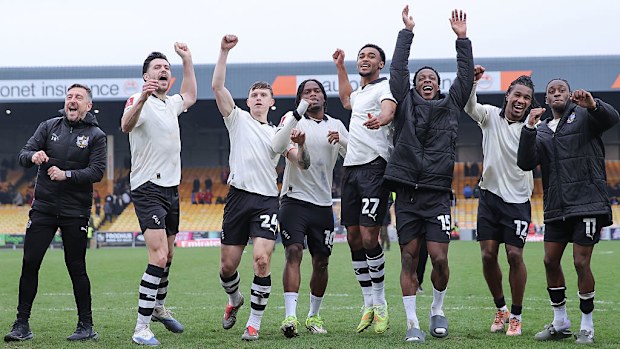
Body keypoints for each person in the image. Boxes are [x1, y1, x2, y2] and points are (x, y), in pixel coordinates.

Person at [384, 6, 474, 343]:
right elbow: (397, 69)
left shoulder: (451, 105)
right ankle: (412, 323)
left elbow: (465, 78)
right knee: (408, 257)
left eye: (431, 80)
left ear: (438, 86)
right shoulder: (404, 102)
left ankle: (437, 309)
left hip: (437, 194)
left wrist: (461, 40)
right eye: (421, 79)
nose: (425, 82)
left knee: (439, 258)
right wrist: (407, 33)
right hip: (406, 193)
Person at [518, 79, 619, 344]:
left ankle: (587, 325)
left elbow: (612, 118)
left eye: (561, 89)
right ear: (547, 100)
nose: (556, 93)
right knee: (550, 261)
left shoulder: (586, 116)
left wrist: (594, 105)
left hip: (587, 202)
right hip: (556, 206)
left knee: (580, 262)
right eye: (551, 91)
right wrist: (528, 128)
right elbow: (525, 162)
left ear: (570, 95)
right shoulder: (540, 131)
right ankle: (560, 321)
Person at [5, 84, 106, 342]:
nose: (72, 101)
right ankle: (21, 325)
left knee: (76, 267)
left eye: (78, 98)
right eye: (69, 97)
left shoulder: (96, 135)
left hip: (75, 211)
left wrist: (66, 175)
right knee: (30, 263)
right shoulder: (48, 126)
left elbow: (97, 172)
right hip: (44, 208)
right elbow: (23, 155)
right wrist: (33, 156)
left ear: (88, 105)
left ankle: (86, 325)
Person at [120, 43, 197, 346]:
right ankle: (141, 328)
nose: (163, 70)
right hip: (147, 186)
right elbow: (125, 125)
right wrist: (142, 96)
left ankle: (159, 309)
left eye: (166, 68)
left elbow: (190, 95)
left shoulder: (171, 103)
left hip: (171, 187)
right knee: (159, 256)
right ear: (145, 77)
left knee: (169, 256)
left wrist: (187, 60)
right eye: (157, 68)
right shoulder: (138, 100)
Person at [464, 66, 544, 336]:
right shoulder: (489, 116)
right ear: (508, 95)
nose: (521, 100)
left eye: (527, 98)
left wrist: (533, 126)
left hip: (519, 200)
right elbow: (469, 106)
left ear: (530, 103)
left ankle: (517, 316)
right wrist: (473, 82)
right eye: (517, 95)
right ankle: (501, 309)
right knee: (487, 256)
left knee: (514, 255)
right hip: (489, 197)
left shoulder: (534, 128)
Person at [212, 34, 280, 341]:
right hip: (237, 198)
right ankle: (234, 299)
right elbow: (217, 87)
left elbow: (299, 160)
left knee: (262, 261)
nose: (258, 98)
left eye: (264, 95)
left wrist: (300, 149)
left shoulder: (280, 133)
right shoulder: (237, 119)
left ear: (271, 102)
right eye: (254, 94)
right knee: (228, 267)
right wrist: (224, 52)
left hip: (267, 200)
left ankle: (254, 322)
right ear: (248, 100)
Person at [272, 79, 349, 338]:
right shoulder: (292, 120)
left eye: (317, 91)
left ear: (324, 98)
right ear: (299, 98)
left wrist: (343, 141)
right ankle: (290, 316)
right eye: (307, 92)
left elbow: (353, 158)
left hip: (323, 204)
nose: (312, 95)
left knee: (322, 261)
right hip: (294, 200)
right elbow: (281, 146)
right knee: (293, 252)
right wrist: (299, 141)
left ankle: (313, 315)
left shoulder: (336, 125)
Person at [332, 39, 397, 334]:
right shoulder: (359, 94)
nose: (365, 59)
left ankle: (381, 303)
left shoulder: (386, 86)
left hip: (375, 167)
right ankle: (368, 303)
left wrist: (380, 121)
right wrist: (340, 66)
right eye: (362, 56)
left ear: (380, 64)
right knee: (354, 237)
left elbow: (389, 111)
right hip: (351, 170)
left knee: (371, 236)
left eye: (371, 56)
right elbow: (346, 98)